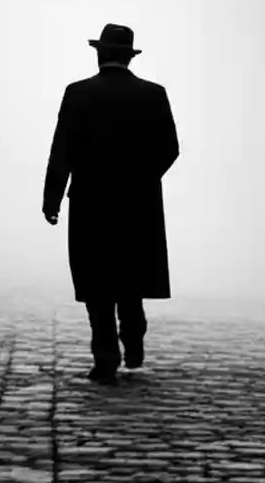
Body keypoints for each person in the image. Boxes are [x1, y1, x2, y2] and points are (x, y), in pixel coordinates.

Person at [43, 23, 180, 385]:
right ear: (128, 55)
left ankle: (106, 360)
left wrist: (52, 199)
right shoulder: (154, 94)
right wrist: (143, 179)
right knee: (130, 278)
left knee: (98, 283)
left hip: (91, 202)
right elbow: (170, 148)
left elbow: (62, 151)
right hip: (139, 204)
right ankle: (133, 337)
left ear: (100, 53)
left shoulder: (78, 93)